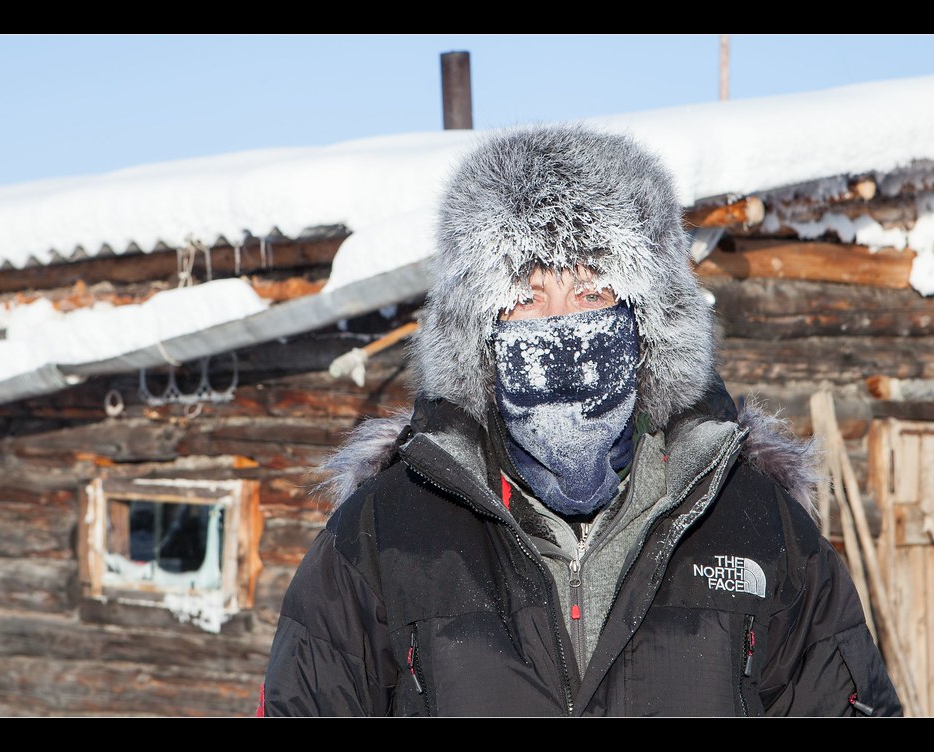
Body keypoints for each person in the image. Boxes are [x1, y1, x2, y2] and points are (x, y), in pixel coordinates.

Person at [260, 123, 903, 716]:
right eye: (526, 298)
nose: (562, 329)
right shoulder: (383, 535)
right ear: (479, 333)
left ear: (647, 324)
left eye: (592, 293)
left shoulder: (759, 528)